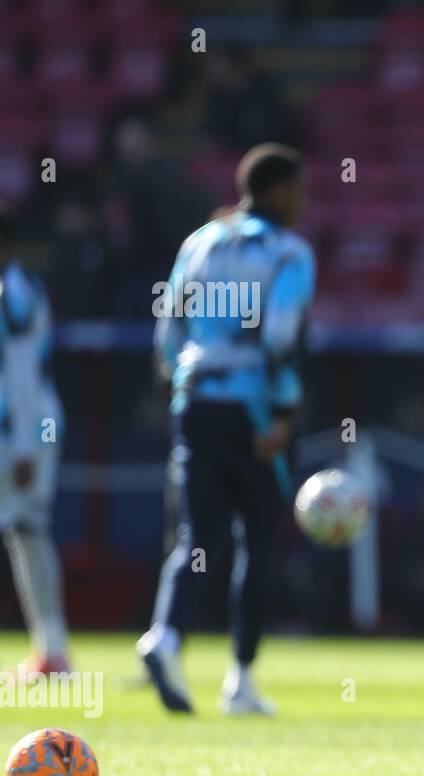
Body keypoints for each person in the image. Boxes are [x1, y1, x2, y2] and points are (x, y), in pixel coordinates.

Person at [137, 144, 314, 716]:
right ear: (281, 191)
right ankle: (240, 681)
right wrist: (283, 413)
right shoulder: (288, 252)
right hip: (254, 408)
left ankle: (164, 636)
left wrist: (177, 382)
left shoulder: (201, 241)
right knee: (257, 543)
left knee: (196, 537)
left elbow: (169, 325)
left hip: (195, 402)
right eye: (300, 191)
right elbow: (281, 335)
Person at [0, 204, 71, 676]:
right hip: (26, 427)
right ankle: (51, 650)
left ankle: (53, 649)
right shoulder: (20, 288)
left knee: (28, 529)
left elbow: (20, 373)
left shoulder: (11, 294)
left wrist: (24, 445)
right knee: (27, 531)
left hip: (19, 432)